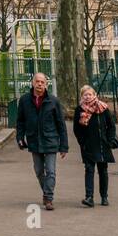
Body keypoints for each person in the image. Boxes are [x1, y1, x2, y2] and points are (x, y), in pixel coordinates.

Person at [15, 72, 68, 210]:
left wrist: (64, 146)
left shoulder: (53, 101)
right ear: (32, 83)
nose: (39, 84)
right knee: (39, 171)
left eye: (42, 82)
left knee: (50, 171)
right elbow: (20, 121)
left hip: (50, 140)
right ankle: (46, 191)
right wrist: (20, 137)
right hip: (34, 140)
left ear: (46, 84)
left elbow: (61, 124)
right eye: (37, 81)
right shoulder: (25, 100)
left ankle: (48, 198)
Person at [73, 85, 118, 206]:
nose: (87, 97)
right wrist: (82, 142)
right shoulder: (79, 110)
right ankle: (89, 197)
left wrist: (110, 140)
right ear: (82, 96)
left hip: (103, 145)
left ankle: (104, 196)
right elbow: (76, 129)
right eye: (85, 95)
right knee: (89, 170)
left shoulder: (103, 108)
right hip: (88, 146)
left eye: (90, 94)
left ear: (94, 95)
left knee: (103, 171)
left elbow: (111, 126)